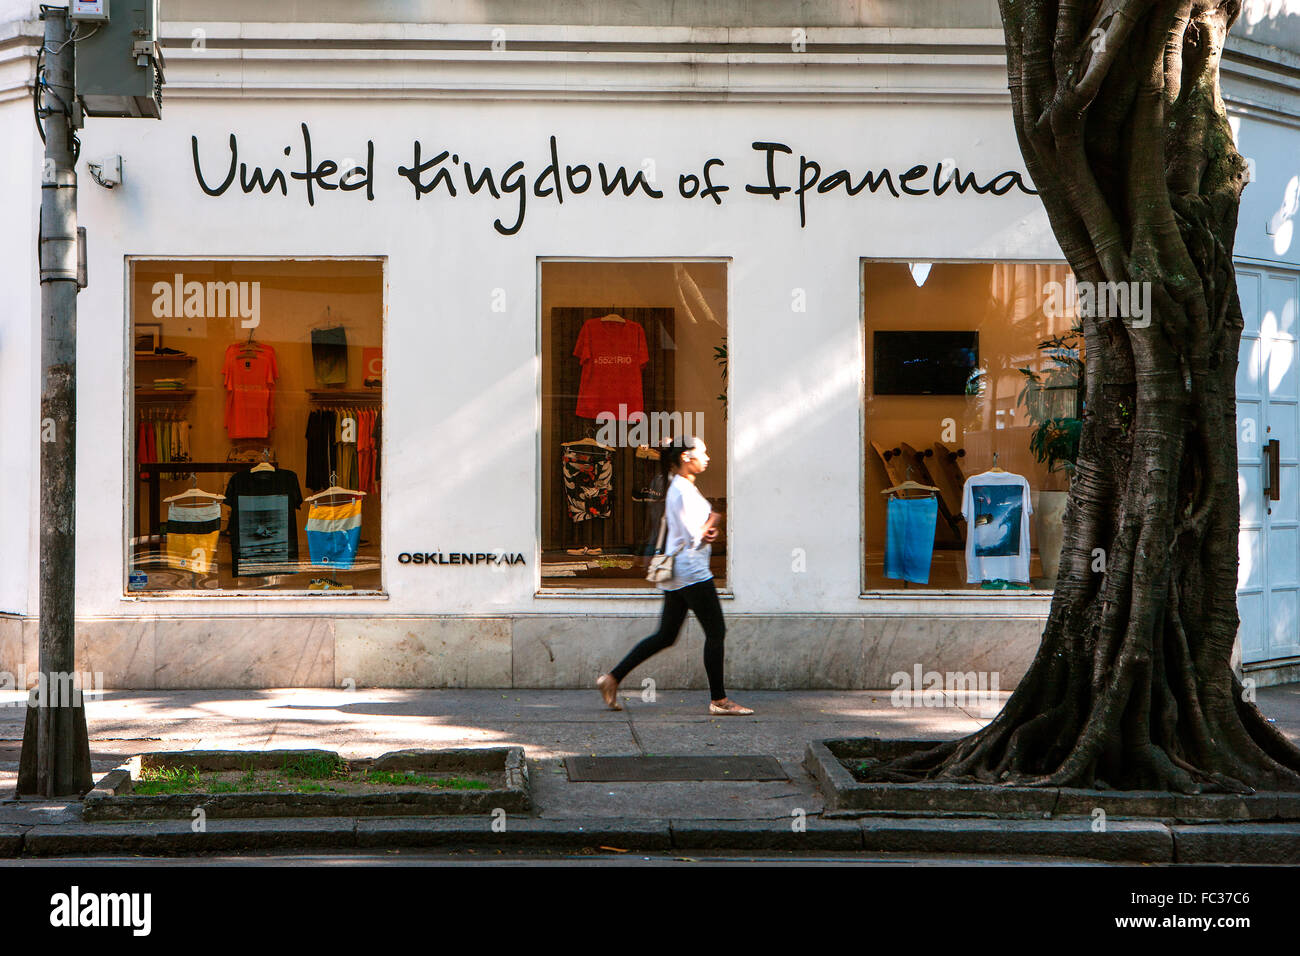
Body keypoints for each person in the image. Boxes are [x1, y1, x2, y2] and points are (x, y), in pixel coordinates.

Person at [596, 436, 753, 716]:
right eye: (702, 453)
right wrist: (715, 518)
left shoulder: (681, 486)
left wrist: (708, 528)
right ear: (686, 457)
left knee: (665, 635)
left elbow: (691, 533)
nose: (707, 457)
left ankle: (612, 678)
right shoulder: (681, 489)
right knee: (716, 632)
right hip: (691, 572)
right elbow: (696, 534)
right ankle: (719, 700)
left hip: (680, 572)